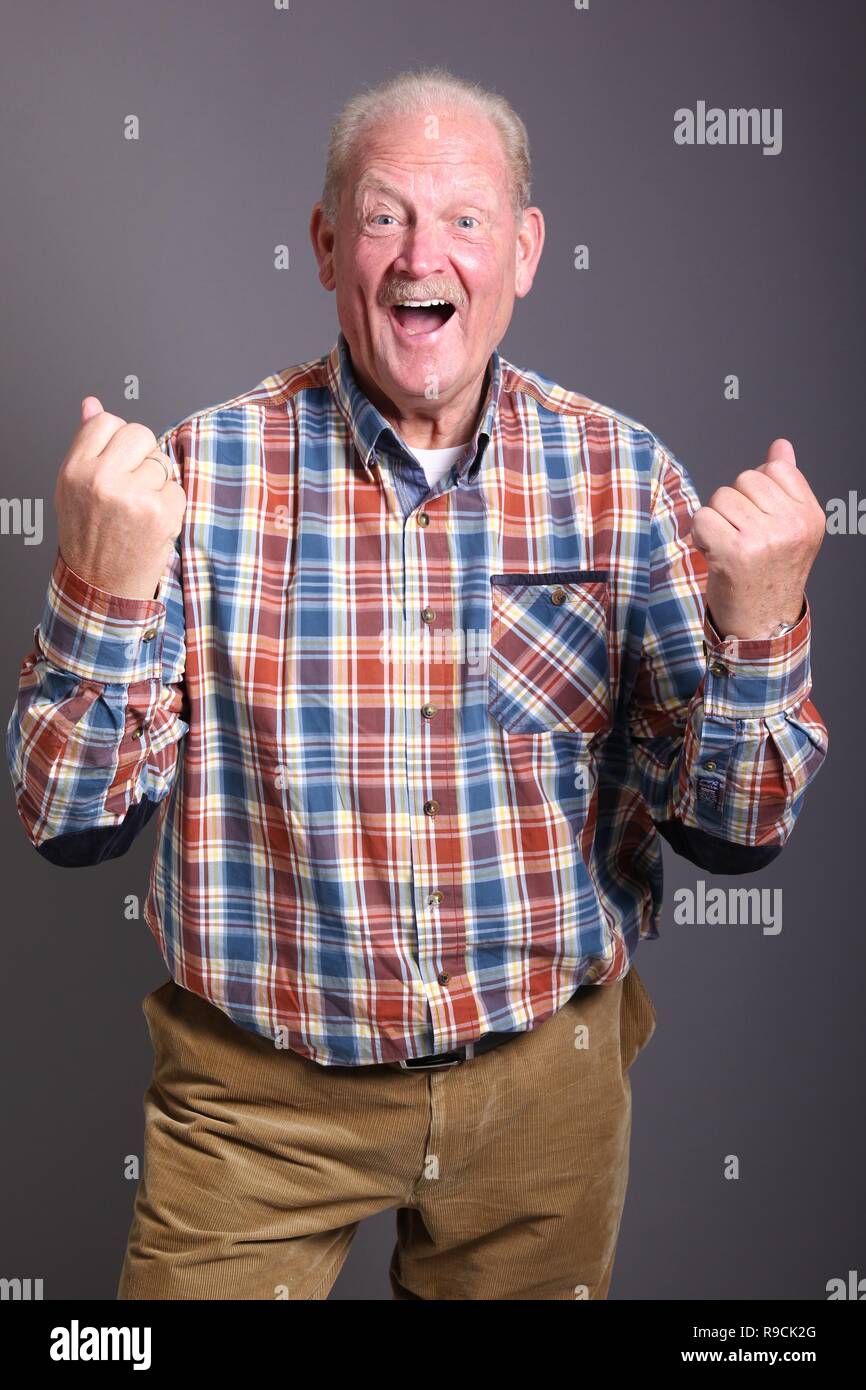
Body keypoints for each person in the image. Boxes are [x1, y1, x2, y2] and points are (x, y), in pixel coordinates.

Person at [6, 67, 828, 1301]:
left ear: (524, 250)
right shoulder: (200, 469)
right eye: (383, 216)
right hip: (257, 1103)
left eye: (463, 218)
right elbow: (69, 825)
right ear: (328, 243)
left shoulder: (621, 474)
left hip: (540, 1096)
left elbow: (731, 835)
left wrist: (762, 631)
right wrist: (103, 590)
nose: (417, 255)